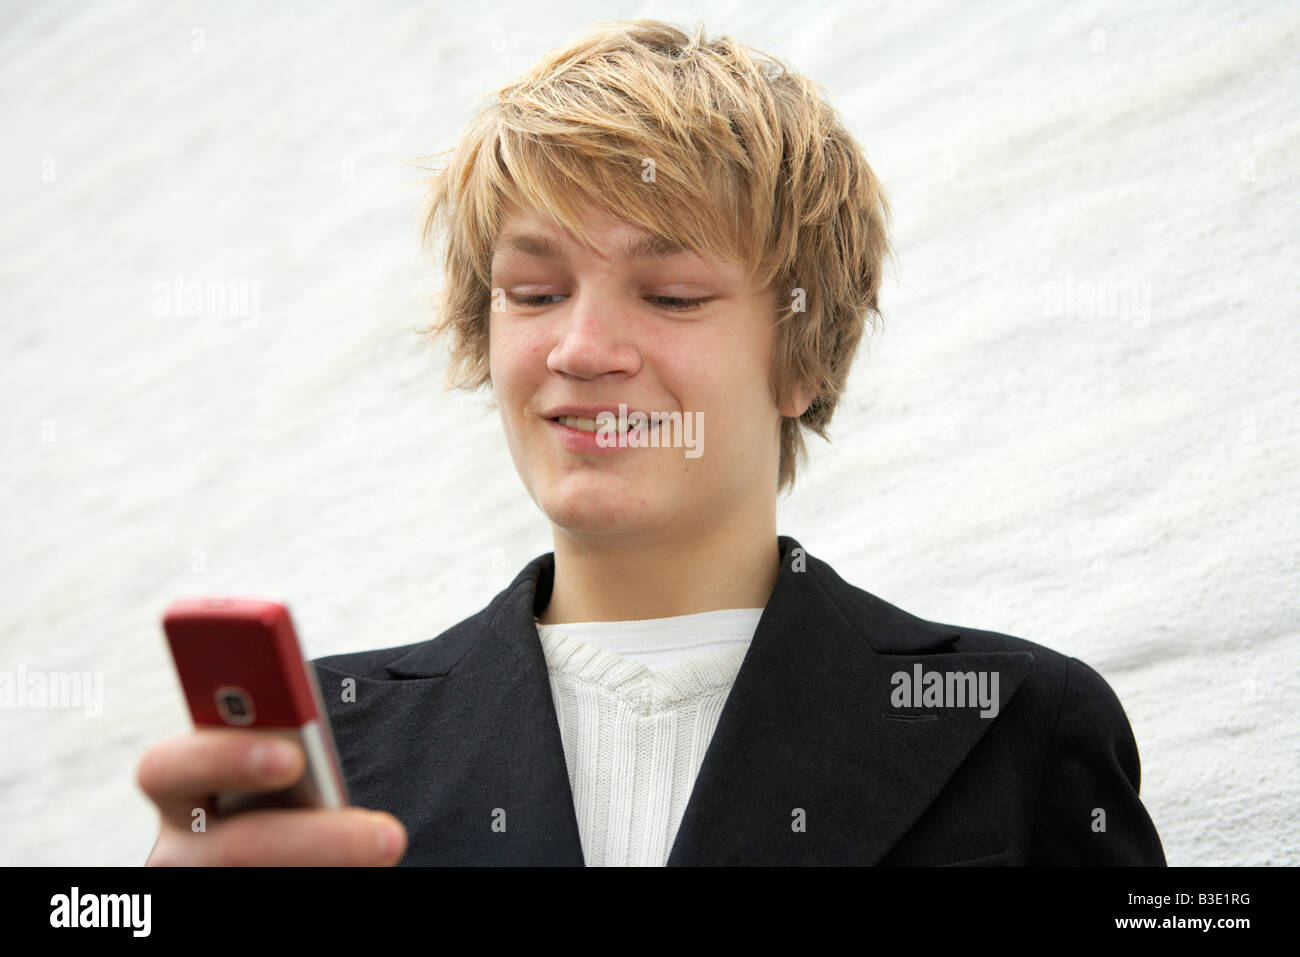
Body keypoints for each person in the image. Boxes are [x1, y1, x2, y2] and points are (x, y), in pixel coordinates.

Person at [138, 18, 1165, 866]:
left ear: (801, 357)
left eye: (670, 295)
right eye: (533, 293)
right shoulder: (323, 753)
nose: (580, 350)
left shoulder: (1022, 727)